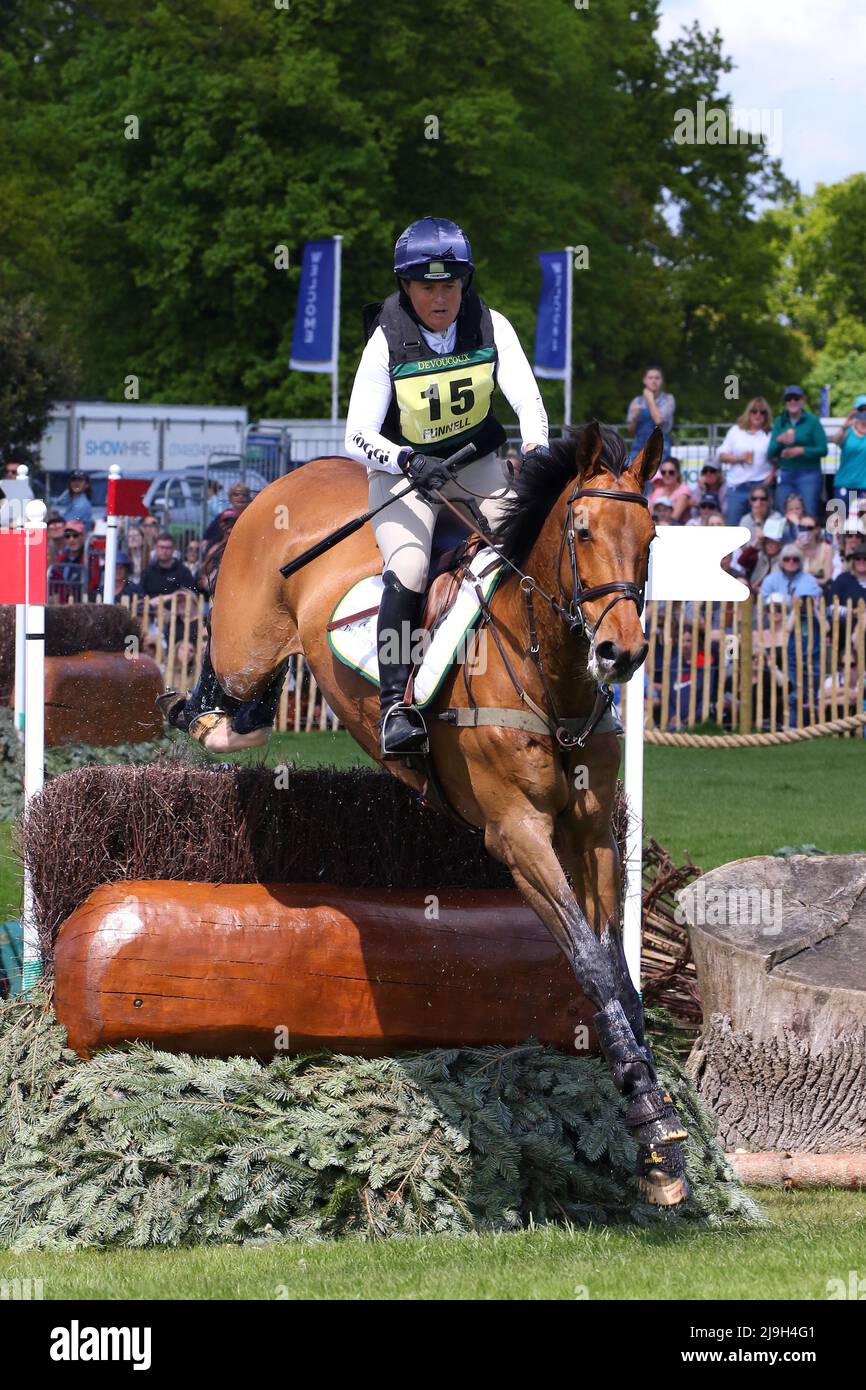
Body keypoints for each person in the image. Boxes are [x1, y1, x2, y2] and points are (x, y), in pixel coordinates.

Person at [343, 215, 548, 757]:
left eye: (450, 285)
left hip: (473, 462)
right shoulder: (386, 340)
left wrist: (535, 450)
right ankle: (395, 706)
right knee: (409, 565)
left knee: (531, 546)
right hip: (401, 471)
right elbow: (355, 435)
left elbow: (528, 400)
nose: (441, 297)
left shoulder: (491, 324)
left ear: (465, 284)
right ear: (405, 287)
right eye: (427, 286)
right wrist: (407, 460)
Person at [767, 386, 828, 519]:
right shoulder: (780, 421)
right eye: (789, 399)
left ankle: (809, 539)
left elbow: (823, 449)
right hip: (786, 474)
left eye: (796, 398)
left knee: (809, 513)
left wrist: (801, 450)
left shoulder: (813, 421)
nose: (792, 401)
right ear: (785, 402)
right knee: (783, 514)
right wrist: (779, 440)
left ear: (802, 400)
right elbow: (770, 452)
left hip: (809, 474)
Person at [717, 397, 774, 524]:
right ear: (748, 413)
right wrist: (739, 458)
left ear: (766, 415)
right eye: (754, 411)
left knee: (762, 526)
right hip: (738, 486)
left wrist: (771, 476)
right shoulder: (736, 431)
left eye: (762, 412)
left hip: (761, 486)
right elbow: (721, 455)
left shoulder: (771, 433)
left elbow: (778, 458)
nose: (758, 415)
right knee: (735, 527)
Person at [626, 366, 675, 462]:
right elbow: (630, 430)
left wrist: (649, 399)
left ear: (662, 381)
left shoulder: (668, 399)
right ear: (644, 380)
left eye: (657, 378)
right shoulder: (637, 401)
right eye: (650, 378)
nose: (654, 381)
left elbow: (658, 420)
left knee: (659, 477)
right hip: (639, 447)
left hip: (660, 447)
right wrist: (635, 418)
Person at [831, 394, 866, 514]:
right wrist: (845, 425)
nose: (865, 412)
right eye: (862, 409)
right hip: (844, 483)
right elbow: (836, 441)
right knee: (840, 523)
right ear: (855, 411)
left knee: (863, 524)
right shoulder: (848, 431)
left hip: (864, 486)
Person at [141, 533, 198, 597]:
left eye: (168, 548)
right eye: (161, 547)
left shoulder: (184, 572)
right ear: (156, 548)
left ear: (173, 549)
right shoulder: (148, 571)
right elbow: (141, 595)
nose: (164, 551)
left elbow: (192, 595)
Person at [202, 484, 252, 555]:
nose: (240, 497)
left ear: (248, 498)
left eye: (244, 495)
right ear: (230, 498)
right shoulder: (224, 516)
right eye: (236, 494)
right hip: (225, 548)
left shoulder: (252, 516)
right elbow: (207, 536)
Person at [647, 456, 692, 523]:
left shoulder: (683, 490)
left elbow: (674, 517)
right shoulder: (658, 490)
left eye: (671, 472)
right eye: (663, 472)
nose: (667, 475)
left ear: (678, 473)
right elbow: (649, 515)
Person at [796, 516, 834, 589]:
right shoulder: (794, 549)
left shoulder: (826, 549)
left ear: (817, 530)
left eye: (810, 528)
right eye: (802, 528)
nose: (806, 531)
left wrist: (809, 581)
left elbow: (828, 579)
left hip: (819, 590)